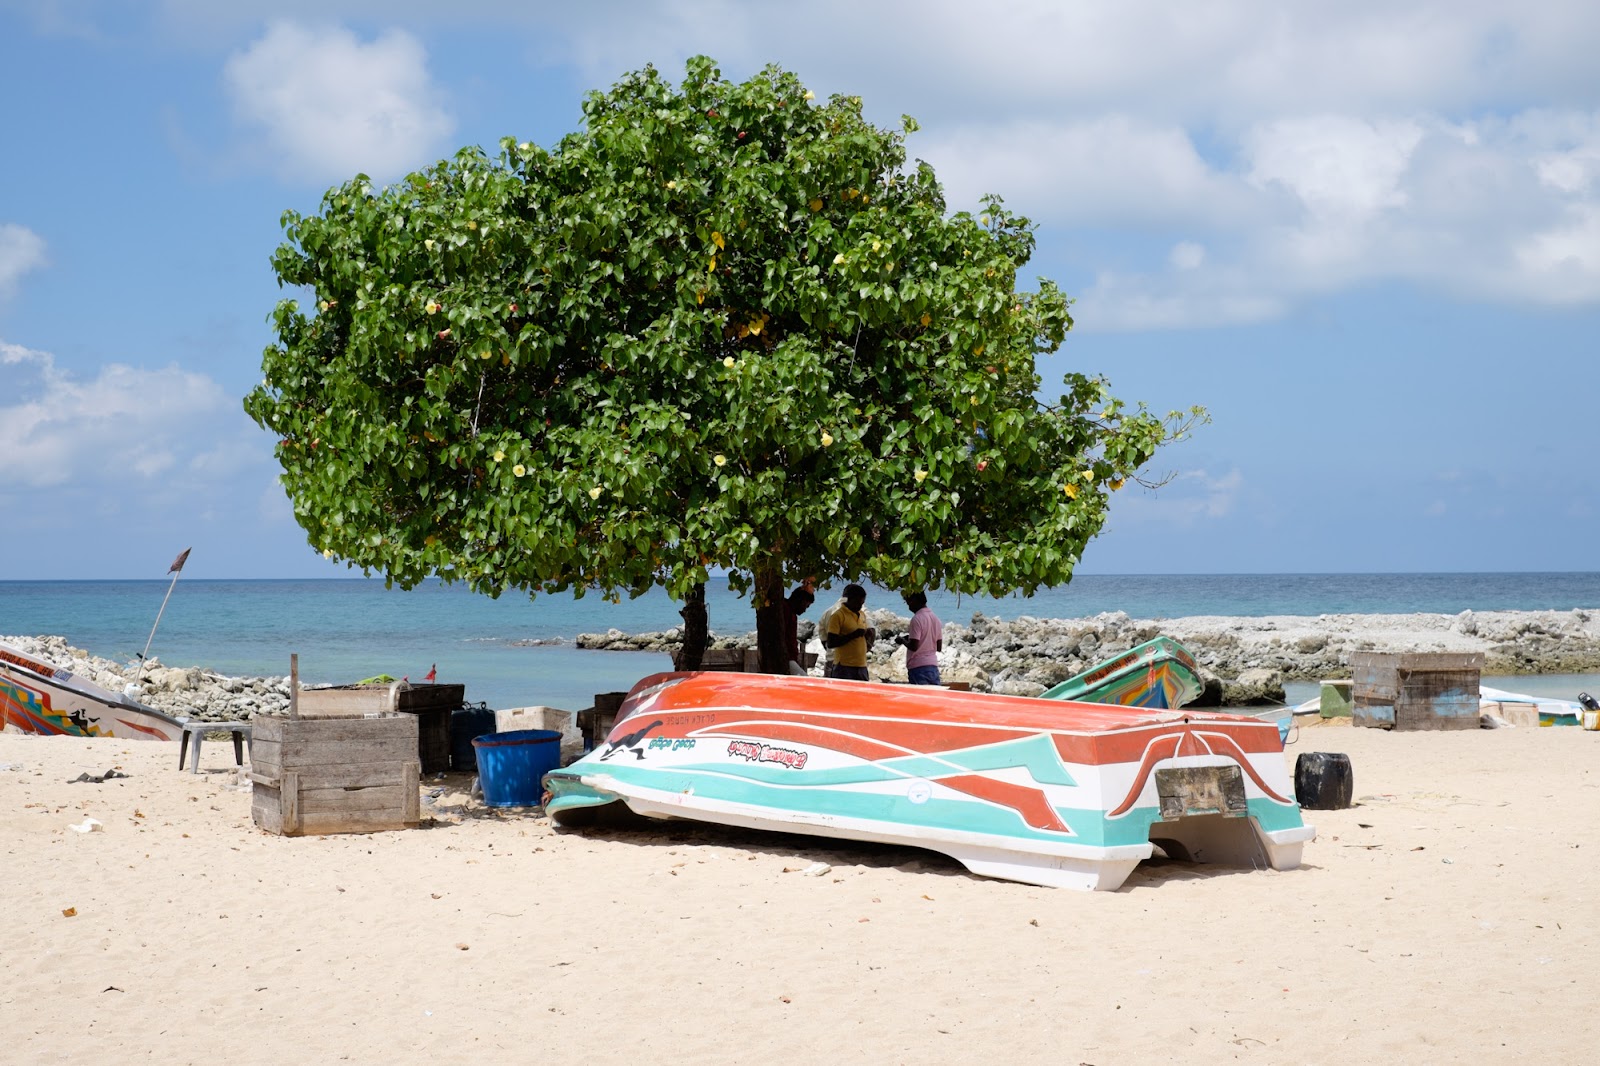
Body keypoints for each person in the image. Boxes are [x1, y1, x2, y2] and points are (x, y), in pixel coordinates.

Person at [824, 584, 873, 682]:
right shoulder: (838, 616)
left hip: (861, 665)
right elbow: (831, 642)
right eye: (858, 602)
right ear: (850, 599)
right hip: (844, 666)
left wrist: (867, 636)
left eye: (862, 603)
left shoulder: (862, 615)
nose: (860, 606)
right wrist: (853, 635)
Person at [898, 591, 944, 685]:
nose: (909, 607)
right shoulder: (936, 619)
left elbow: (914, 646)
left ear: (915, 601)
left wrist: (902, 640)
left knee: (919, 696)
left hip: (918, 666)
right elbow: (938, 647)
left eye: (909, 603)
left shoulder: (917, 619)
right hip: (932, 665)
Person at [780, 586, 815, 675]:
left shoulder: (791, 613)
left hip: (789, 658)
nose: (804, 610)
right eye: (806, 606)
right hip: (785, 658)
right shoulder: (785, 610)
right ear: (801, 601)